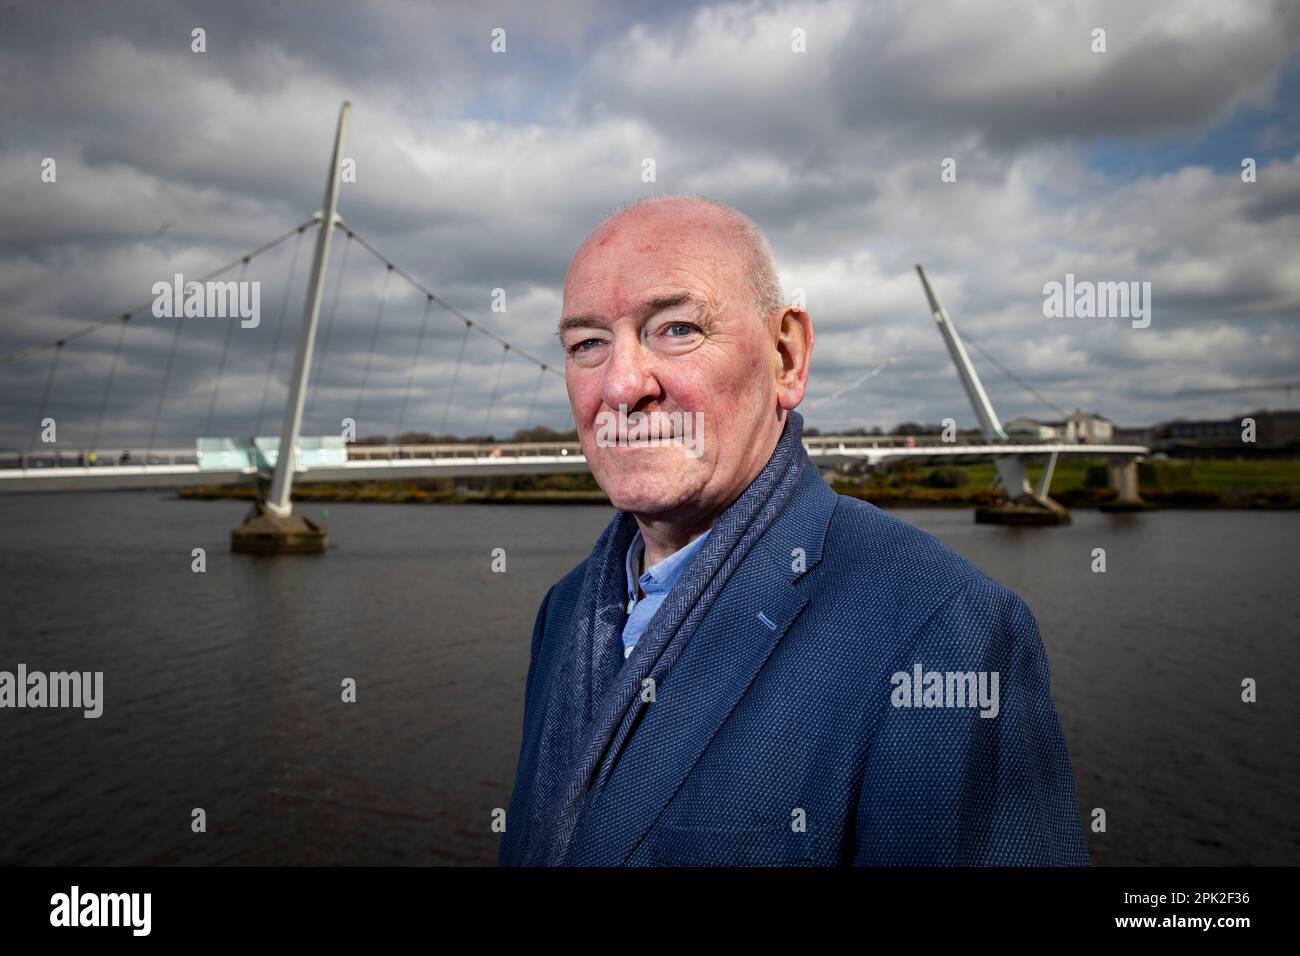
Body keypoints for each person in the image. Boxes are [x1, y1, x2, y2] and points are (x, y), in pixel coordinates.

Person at [498, 195, 1089, 867]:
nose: (623, 384)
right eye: (586, 345)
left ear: (787, 358)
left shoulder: (944, 628)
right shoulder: (565, 609)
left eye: (677, 328)